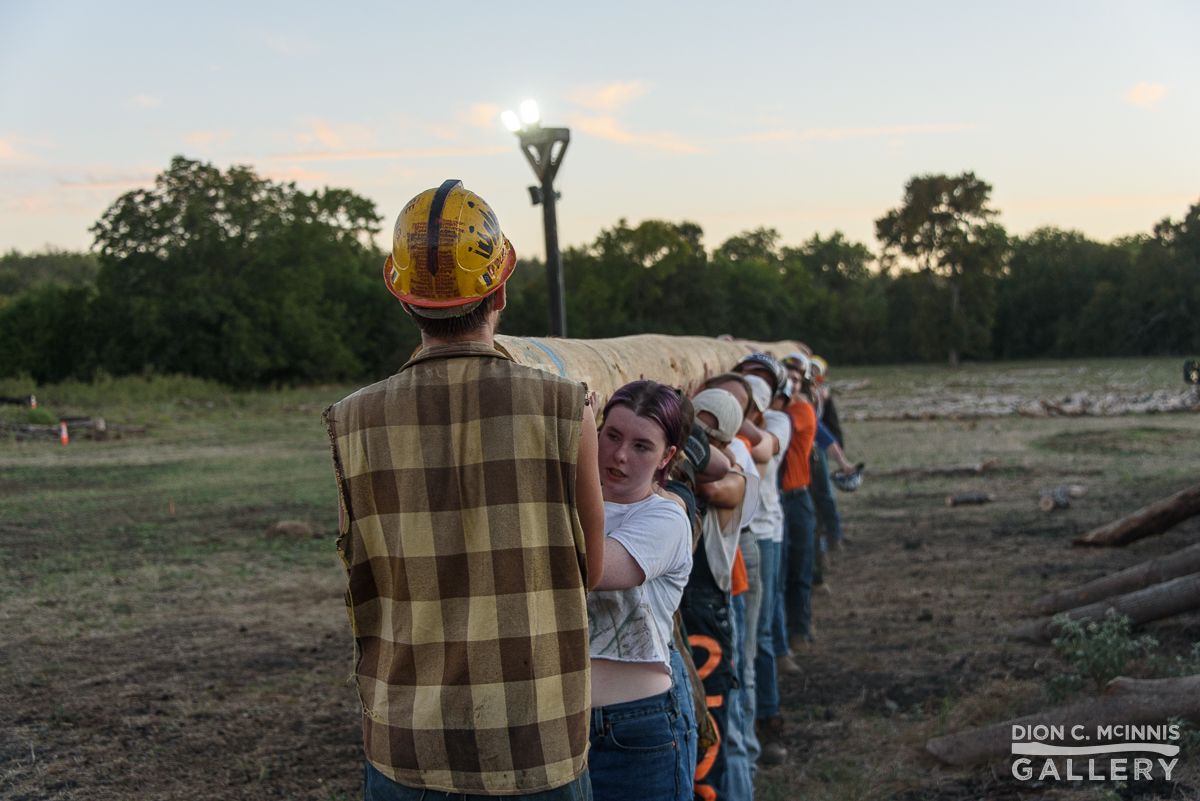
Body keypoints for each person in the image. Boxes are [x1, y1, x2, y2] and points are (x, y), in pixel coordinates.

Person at [323, 181, 606, 801]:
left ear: (403, 298)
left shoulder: (350, 422)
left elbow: (364, 569)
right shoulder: (566, 407)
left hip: (407, 745)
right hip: (537, 740)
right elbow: (588, 569)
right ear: (500, 288)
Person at [587, 380, 695, 801]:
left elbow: (591, 569)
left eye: (641, 446)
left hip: (636, 728)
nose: (619, 455)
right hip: (558, 725)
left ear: (667, 456)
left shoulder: (665, 519)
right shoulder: (568, 502)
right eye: (611, 435)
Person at [680, 388, 752, 801]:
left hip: (707, 608)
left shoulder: (737, 476)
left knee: (712, 720)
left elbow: (711, 488)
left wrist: (686, 433)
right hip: (684, 608)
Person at [731, 356, 792, 766]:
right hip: (736, 537)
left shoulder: (777, 425)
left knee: (760, 638)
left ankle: (768, 721)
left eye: (765, 384)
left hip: (765, 535)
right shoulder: (733, 424)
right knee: (741, 645)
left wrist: (728, 411)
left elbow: (765, 449)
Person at [779, 352, 819, 653]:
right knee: (779, 574)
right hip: (778, 501)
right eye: (786, 379)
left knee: (800, 569)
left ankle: (799, 632)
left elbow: (779, 430)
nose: (791, 385)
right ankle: (785, 637)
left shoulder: (801, 410)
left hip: (798, 498)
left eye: (796, 380)